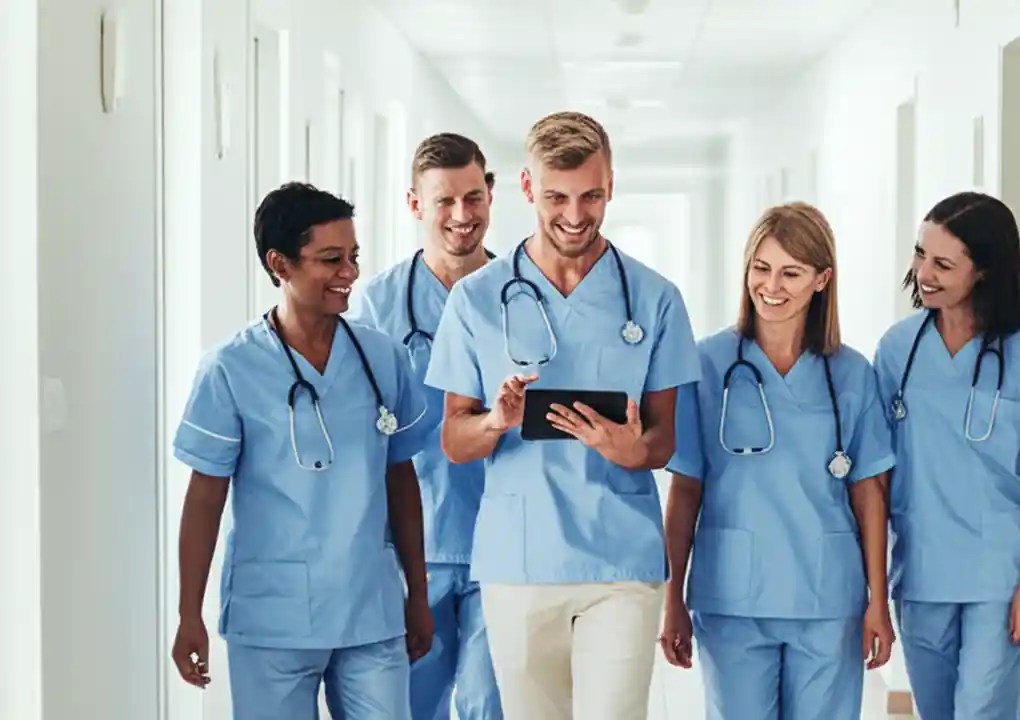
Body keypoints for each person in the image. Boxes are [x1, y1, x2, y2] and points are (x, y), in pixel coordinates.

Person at [424, 110, 700, 720]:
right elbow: (453, 439)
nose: (576, 216)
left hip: (620, 561)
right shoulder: (476, 299)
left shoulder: (654, 299)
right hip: (520, 562)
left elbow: (663, 438)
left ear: (610, 186)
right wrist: (495, 420)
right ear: (526, 188)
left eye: (592, 196)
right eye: (557, 197)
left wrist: (635, 450)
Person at [169, 182, 435, 719]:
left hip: (370, 610)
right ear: (280, 264)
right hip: (274, 619)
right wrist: (188, 613)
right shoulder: (230, 369)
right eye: (330, 259)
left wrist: (419, 594)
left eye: (354, 256)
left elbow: (401, 479)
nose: (349, 273)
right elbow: (204, 500)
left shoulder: (381, 358)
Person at [660, 202, 897, 719]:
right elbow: (685, 491)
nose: (772, 286)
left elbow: (869, 496)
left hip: (826, 597)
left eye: (791, 272)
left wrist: (879, 601)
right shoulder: (705, 365)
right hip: (731, 597)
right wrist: (671, 596)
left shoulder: (851, 374)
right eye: (761, 269)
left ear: (821, 280)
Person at [873, 191, 1020, 718]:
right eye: (921, 254)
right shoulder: (897, 350)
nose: (924, 272)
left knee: (982, 711)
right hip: (922, 570)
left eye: (944, 263)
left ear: (985, 272)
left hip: (1001, 572)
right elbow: (875, 475)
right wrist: (875, 586)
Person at [347, 132, 503, 720]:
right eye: (444, 201)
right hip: (415, 549)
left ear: (491, 195)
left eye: (472, 197)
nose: (461, 217)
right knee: (409, 707)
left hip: (504, 543)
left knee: (494, 706)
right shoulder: (378, 307)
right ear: (415, 204)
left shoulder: (522, 293)